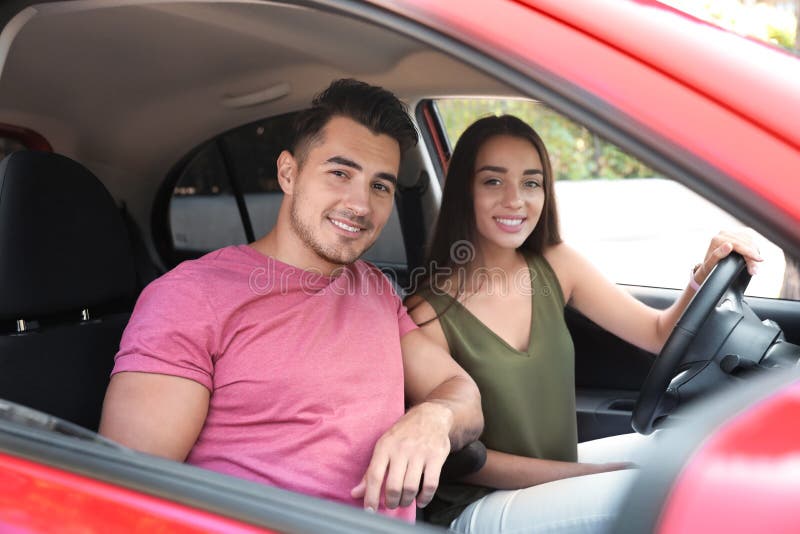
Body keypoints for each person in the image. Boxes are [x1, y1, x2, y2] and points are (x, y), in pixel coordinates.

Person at [98, 79, 483, 523]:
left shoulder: (375, 288)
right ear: (288, 173)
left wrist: (432, 419)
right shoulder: (191, 297)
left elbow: (462, 393)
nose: (360, 204)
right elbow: (123, 497)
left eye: (380, 187)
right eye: (340, 173)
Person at [405, 115, 762, 533]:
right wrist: (592, 475)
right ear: (464, 190)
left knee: (700, 454)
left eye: (531, 183)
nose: (515, 200)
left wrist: (703, 273)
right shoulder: (427, 314)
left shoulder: (556, 264)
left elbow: (658, 332)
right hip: (476, 507)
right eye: (493, 181)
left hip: (557, 474)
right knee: (672, 495)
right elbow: (465, 463)